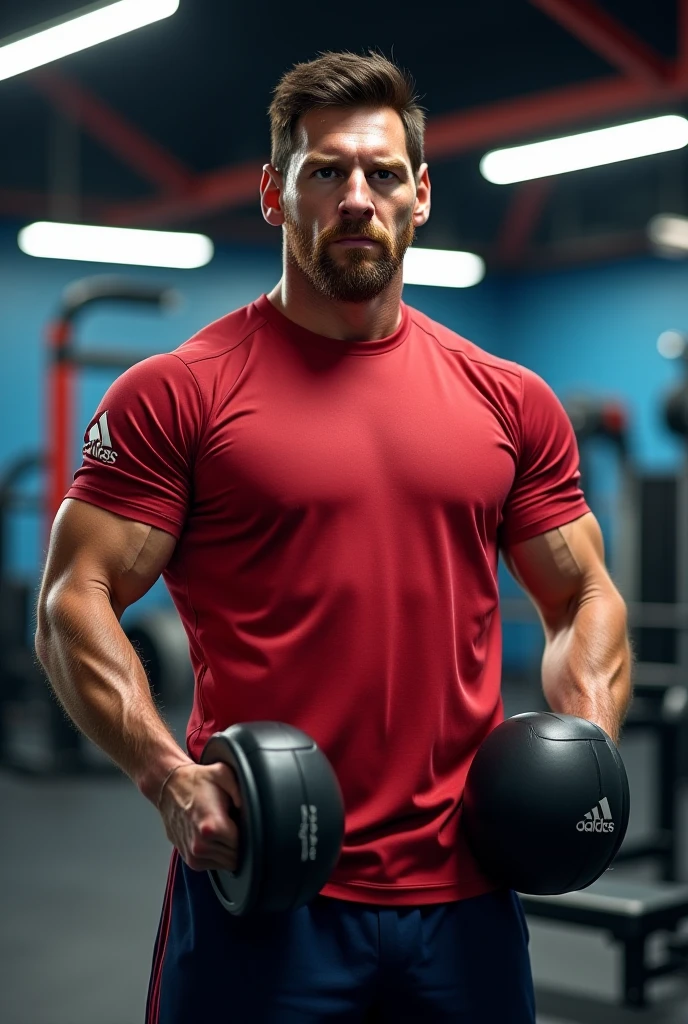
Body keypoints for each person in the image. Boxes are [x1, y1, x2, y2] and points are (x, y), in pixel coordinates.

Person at [35, 49, 632, 1024]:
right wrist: (168, 777)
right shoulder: (179, 394)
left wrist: (588, 743)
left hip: (466, 894)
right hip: (268, 879)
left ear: (420, 195)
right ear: (275, 194)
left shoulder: (509, 400)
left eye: (383, 173)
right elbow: (75, 597)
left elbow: (583, 596)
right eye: (326, 171)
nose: (357, 197)